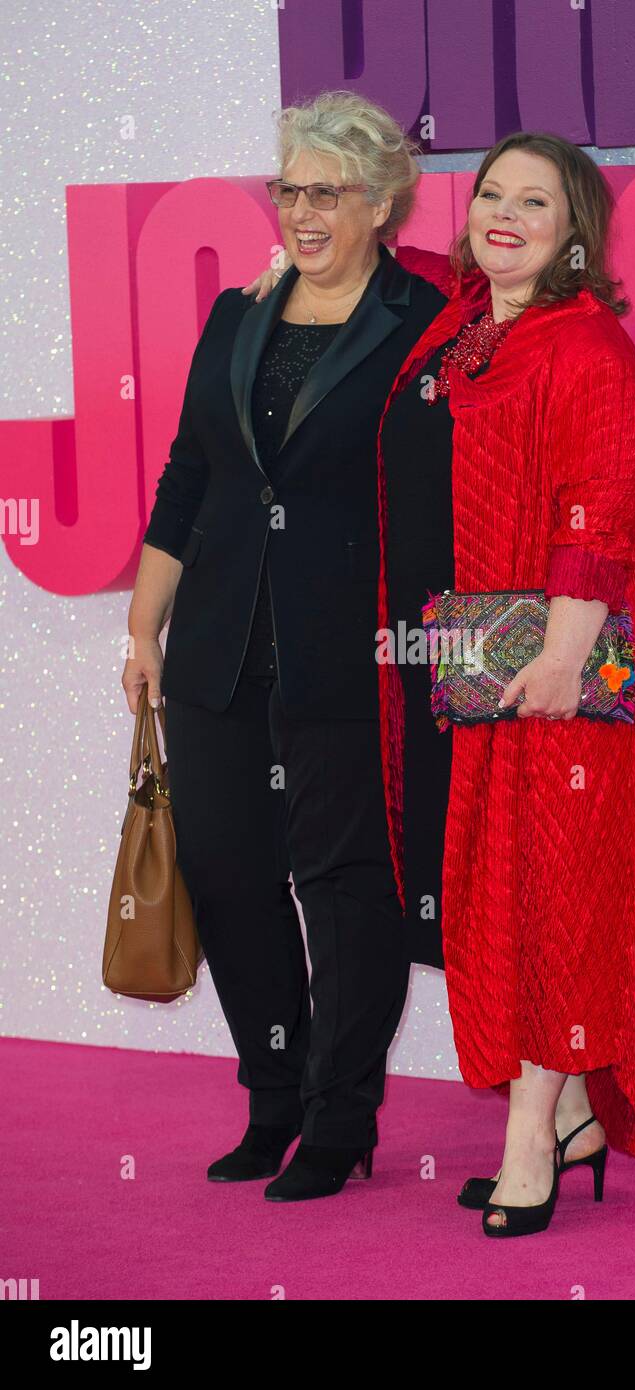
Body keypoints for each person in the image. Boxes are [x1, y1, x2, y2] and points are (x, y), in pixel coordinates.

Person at [125, 90, 454, 1203]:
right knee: (225, 874)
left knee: (343, 882)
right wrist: (141, 626)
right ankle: (270, 1094)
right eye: (290, 189)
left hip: (349, 654)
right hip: (218, 645)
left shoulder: (425, 321)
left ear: (382, 206)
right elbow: (190, 474)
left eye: (328, 192)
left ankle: (338, 1116)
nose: (301, 212)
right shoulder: (237, 314)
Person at [375, 133, 635, 1237]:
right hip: (480, 633)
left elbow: (605, 495)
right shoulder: (467, 324)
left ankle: (528, 1144)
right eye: (490, 193)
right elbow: (385, 262)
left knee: (556, 893)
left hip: (559, 637)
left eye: (533, 201)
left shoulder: (585, 344)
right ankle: (573, 1119)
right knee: (497, 886)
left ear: (575, 231)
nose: (504, 214)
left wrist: (560, 651)